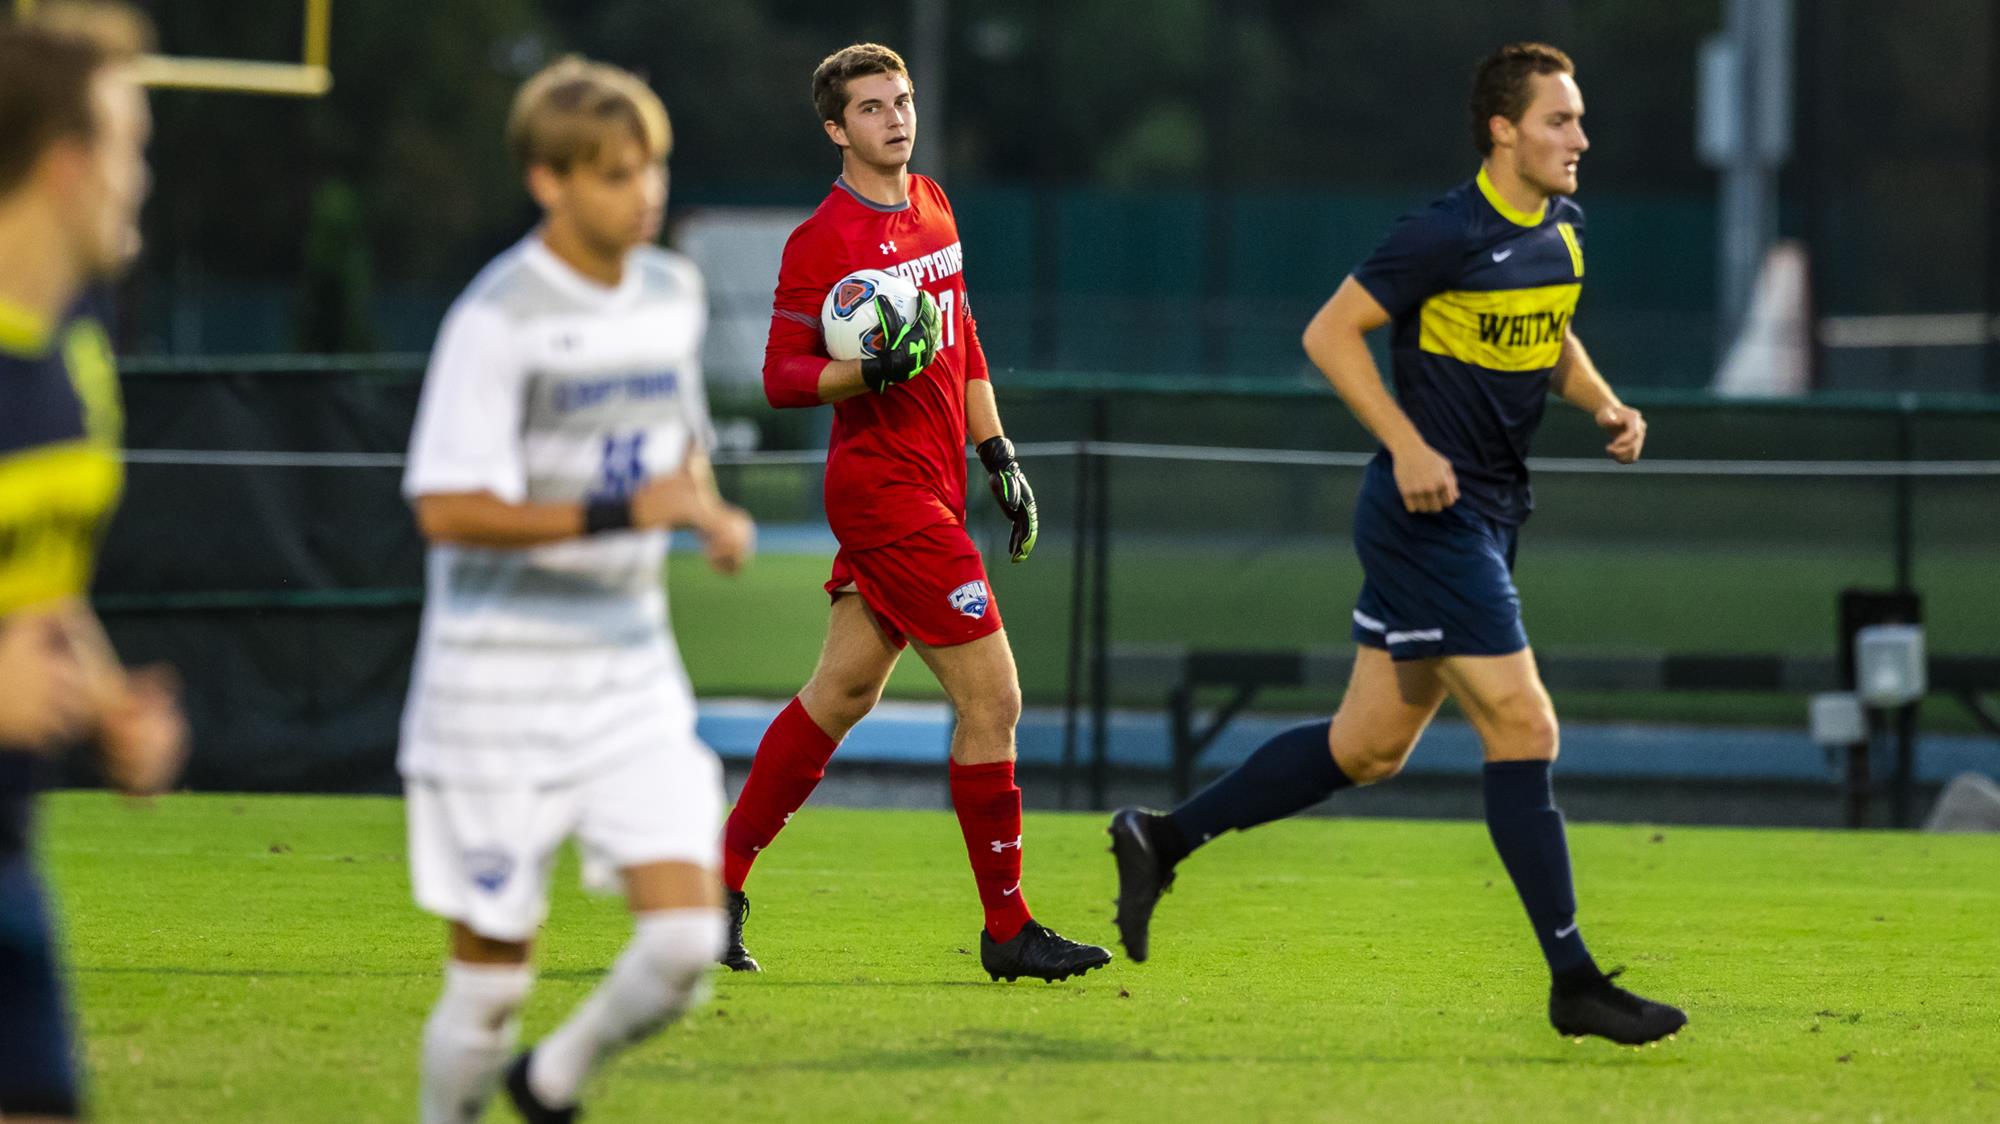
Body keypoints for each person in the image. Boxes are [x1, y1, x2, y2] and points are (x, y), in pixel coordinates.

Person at [1108, 43, 1687, 1046]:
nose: (1579, 138)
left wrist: (1603, 402)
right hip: (1428, 516)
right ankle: (1573, 979)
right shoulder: (1442, 232)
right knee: (1523, 723)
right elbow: (1328, 332)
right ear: (1501, 129)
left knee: (1365, 747)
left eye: (1579, 120)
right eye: (1559, 120)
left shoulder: (1562, 230)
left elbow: (1547, 336)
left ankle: (1161, 836)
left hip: (1492, 513)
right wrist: (1408, 443)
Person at [397, 55, 756, 1123]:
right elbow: (443, 507)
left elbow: (673, 446)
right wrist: (618, 514)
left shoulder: (670, 289)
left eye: (650, 166)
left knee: (688, 936)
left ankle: (549, 1082)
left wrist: (706, 509)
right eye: (611, 172)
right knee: (491, 981)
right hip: (493, 681)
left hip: (627, 667)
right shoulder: (496, 317)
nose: (641, 190)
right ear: (548, 182)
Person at [720, 42, 1109, 984]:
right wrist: (867, 370)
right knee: (996, 699)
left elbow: (963, 334)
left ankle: (711, 886)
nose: (895, 118)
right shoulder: (822, 241)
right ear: (835, 128)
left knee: (842, 694)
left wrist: (999, 453)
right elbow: (777, 377)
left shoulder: (934, 203)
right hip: (884, 493)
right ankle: (1007, 929)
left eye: (901, 101)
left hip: (936, 485)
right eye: (870, 107)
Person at [0, 6, 190, 1120]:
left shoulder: (75, 352)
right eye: (133, 149)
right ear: (70, 165)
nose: (142, 181)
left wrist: (108, 701)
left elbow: (42, 583)